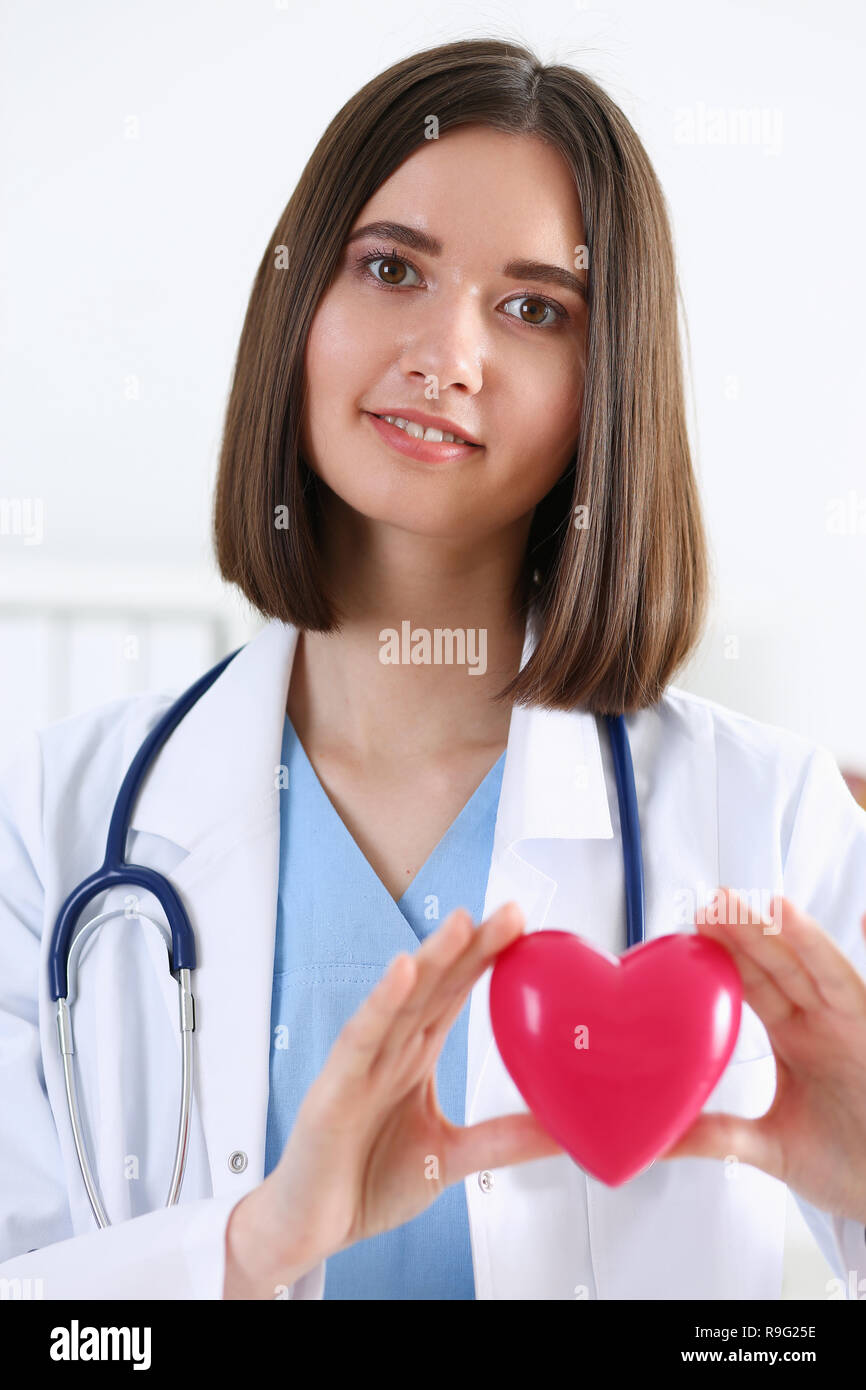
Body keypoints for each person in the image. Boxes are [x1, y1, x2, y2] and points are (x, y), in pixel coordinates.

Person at [1, 37, 865, 1302]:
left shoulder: (774, 824)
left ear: (601, 387)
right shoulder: (60, 819)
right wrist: (243, 1254)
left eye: (532, 307)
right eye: (391, 268)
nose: (446, 354)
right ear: (298, 305)